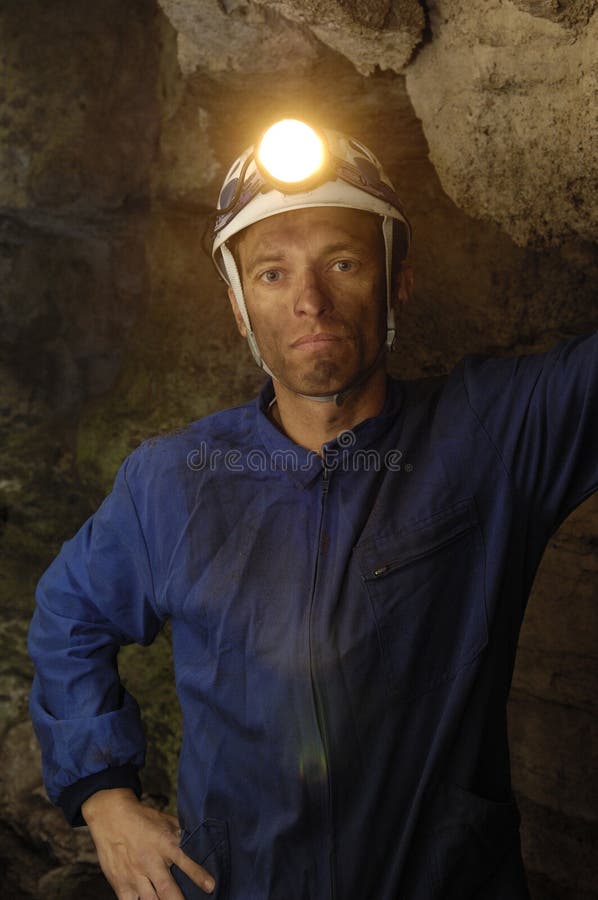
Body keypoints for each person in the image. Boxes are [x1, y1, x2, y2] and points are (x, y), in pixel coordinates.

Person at [28, 118, 597, 900]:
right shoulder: (173, 482)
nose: (311, 302)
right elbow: (69, 617)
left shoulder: (490, 436)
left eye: (343, 261)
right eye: (271, 274)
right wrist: (105, 798)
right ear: (237, 308)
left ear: (396, 281)